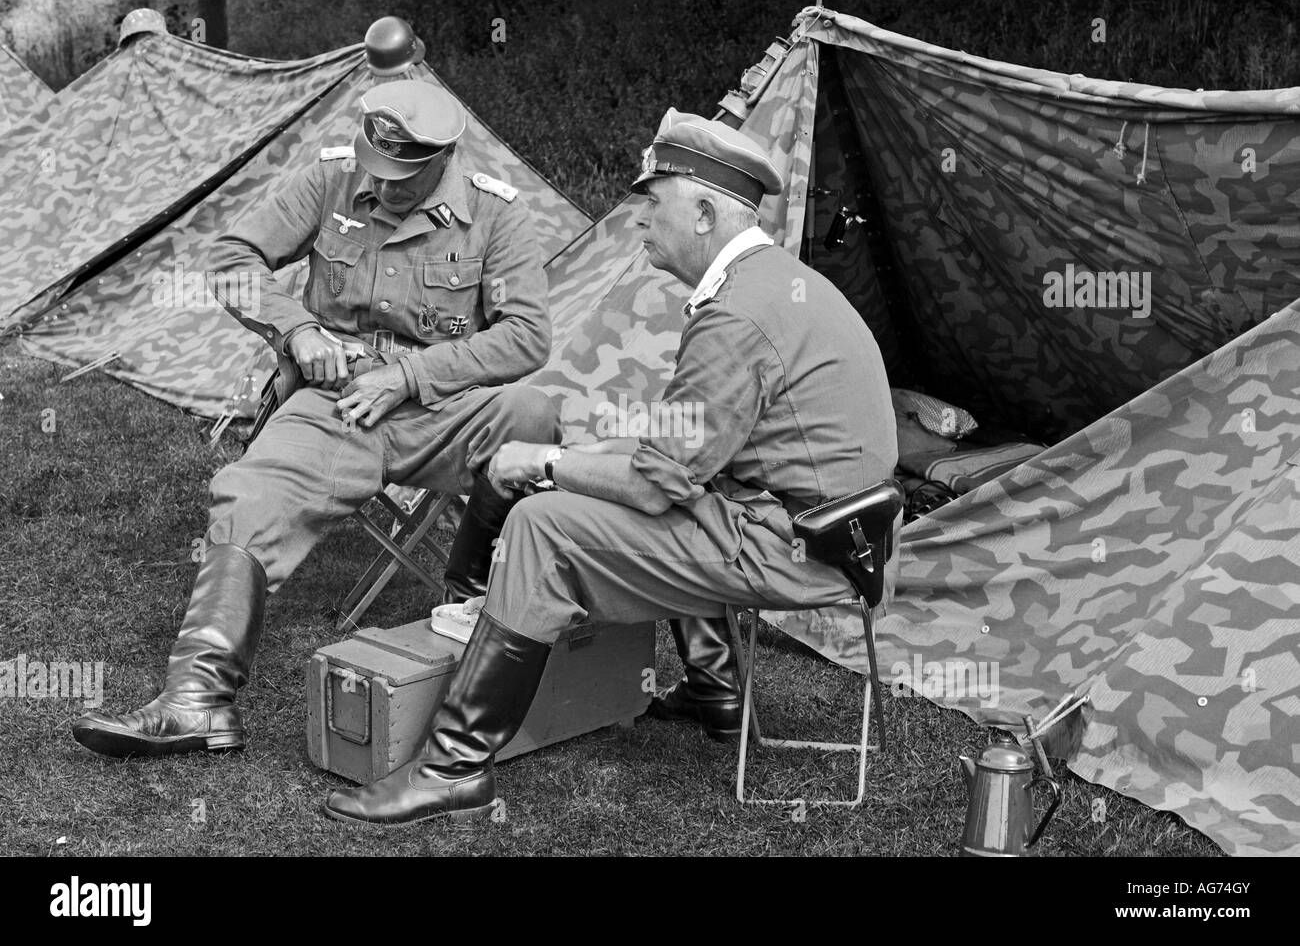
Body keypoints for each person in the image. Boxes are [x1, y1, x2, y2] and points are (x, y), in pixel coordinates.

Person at [323, 108, 898, 827]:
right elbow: (688, 456)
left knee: (544, 526)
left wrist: (548, 464)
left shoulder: (739, 315)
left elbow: (661, 484)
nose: (638, 223)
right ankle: (715, 694)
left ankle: (453, 769)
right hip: (832, 531)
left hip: (797, 549)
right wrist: (577, 457)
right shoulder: (770, 282)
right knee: (605, 468)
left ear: (703, 212)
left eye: (651, 205)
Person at [71, 80, 560, 759]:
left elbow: (527, 337)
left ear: (440, 158)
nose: (382, 183)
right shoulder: (331, 178)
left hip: (444, 406)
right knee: (250, 494)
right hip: (338, 403)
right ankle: (196, 702)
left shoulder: (495, 214)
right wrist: (297, 330)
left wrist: (412, 374)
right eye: (375, 166)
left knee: (532, 412)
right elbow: (230, 259)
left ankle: (471, 602)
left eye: (402, 174)